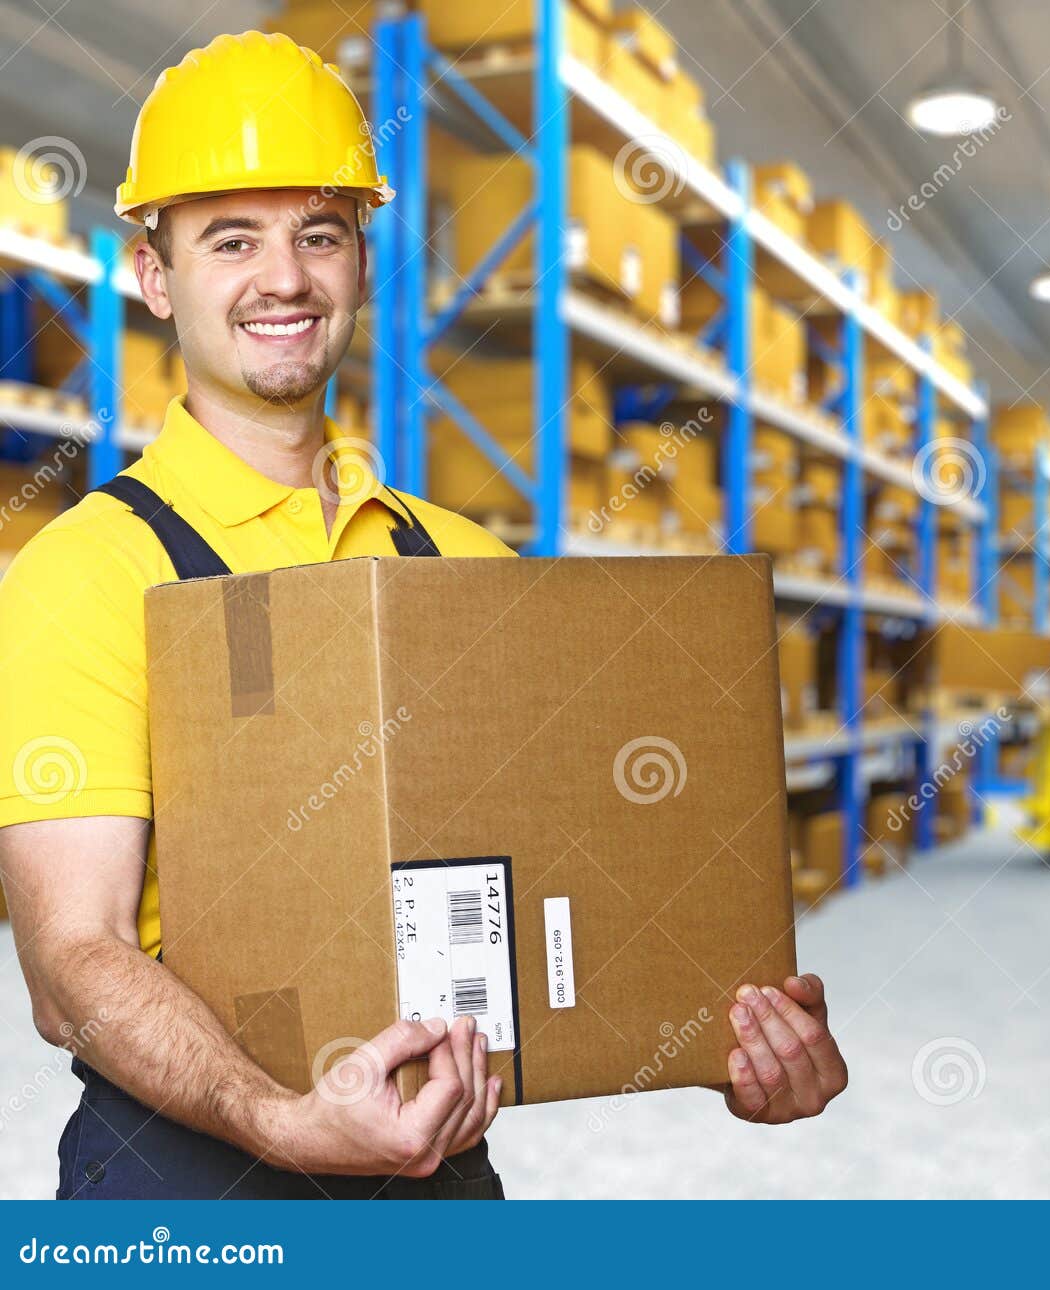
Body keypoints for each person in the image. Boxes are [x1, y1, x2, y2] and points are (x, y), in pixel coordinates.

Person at [0, 30, 845, 1202]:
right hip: (185, 1181)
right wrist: (283, 1122)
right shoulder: (87, 573)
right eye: (231, 240)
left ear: (360, 260)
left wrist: (725, 1033)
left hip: (436, 1169)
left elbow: (571, 880)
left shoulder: (460, 564)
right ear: (154, 275)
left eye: (318, 234)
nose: (283, 279)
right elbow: (70, 967)